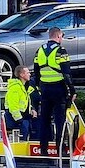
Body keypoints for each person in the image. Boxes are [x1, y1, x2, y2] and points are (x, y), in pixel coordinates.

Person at [34, 27, 75, 156]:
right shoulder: (61, 51)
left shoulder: (39, 51)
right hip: (58, 89)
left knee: (44, 120)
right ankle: (61, 150)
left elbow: (36, 72)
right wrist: (72, 90)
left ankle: (43, 150)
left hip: (45, 89)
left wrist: (39, 87)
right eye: (62, 36)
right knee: (59, 121)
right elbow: (66, 73)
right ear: (58, 36)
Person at [5, 66, 38, 141]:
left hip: (23, 119)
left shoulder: (23, 87)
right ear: (22, 75)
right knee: (20, 141)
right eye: (27, 73)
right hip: (16, 121)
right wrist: (20, 121)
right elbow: (13, 106)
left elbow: (24, 103)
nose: (30, 74)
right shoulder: (15, 88)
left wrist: (31, 110)